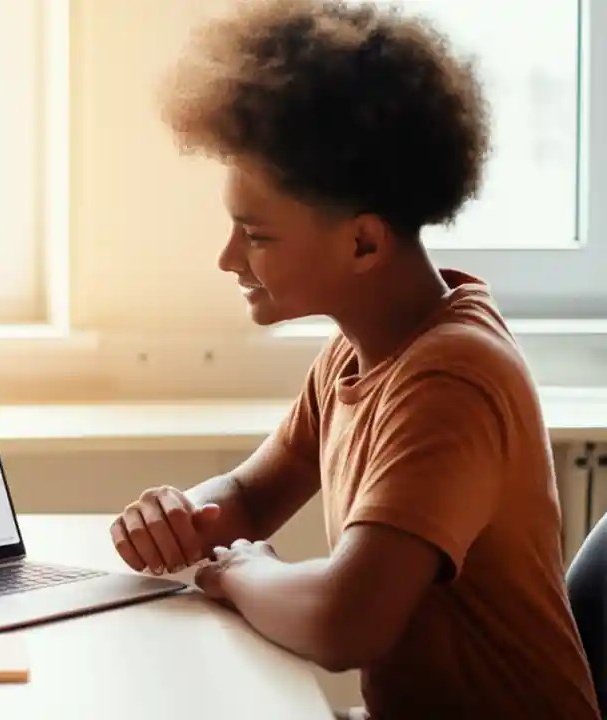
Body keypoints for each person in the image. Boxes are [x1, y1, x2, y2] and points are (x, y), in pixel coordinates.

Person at [108, 1, 598, 717]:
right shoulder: (359, 352)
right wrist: (184, 516)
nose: (227, 258)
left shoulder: (450, 378)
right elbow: (248, 500)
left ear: (363, 244)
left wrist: (243, 573)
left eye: (257, 236)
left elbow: (345, 622)